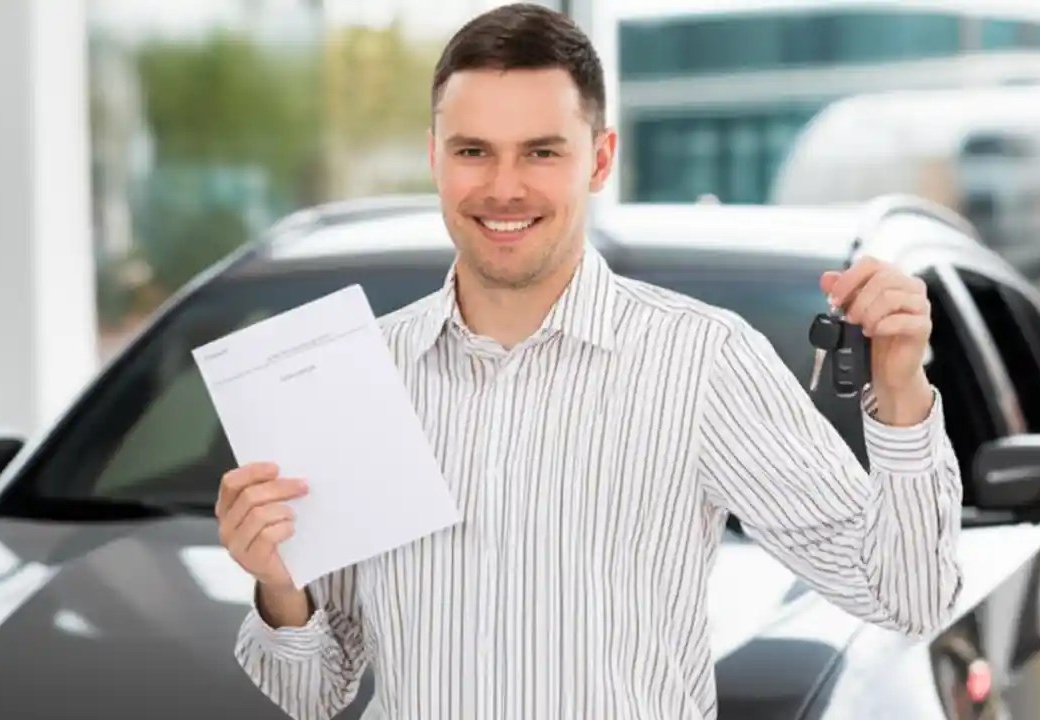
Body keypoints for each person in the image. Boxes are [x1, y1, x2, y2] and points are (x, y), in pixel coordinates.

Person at [215, 3, 963, 718]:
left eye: (541, 152)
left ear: (600, 159)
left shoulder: (700, 362)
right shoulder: (363, 376)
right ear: (435, 158)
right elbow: (314, 693)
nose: (504, 188)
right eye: (473, 151)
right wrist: (279, 586)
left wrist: (901, 392)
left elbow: (909, 598)